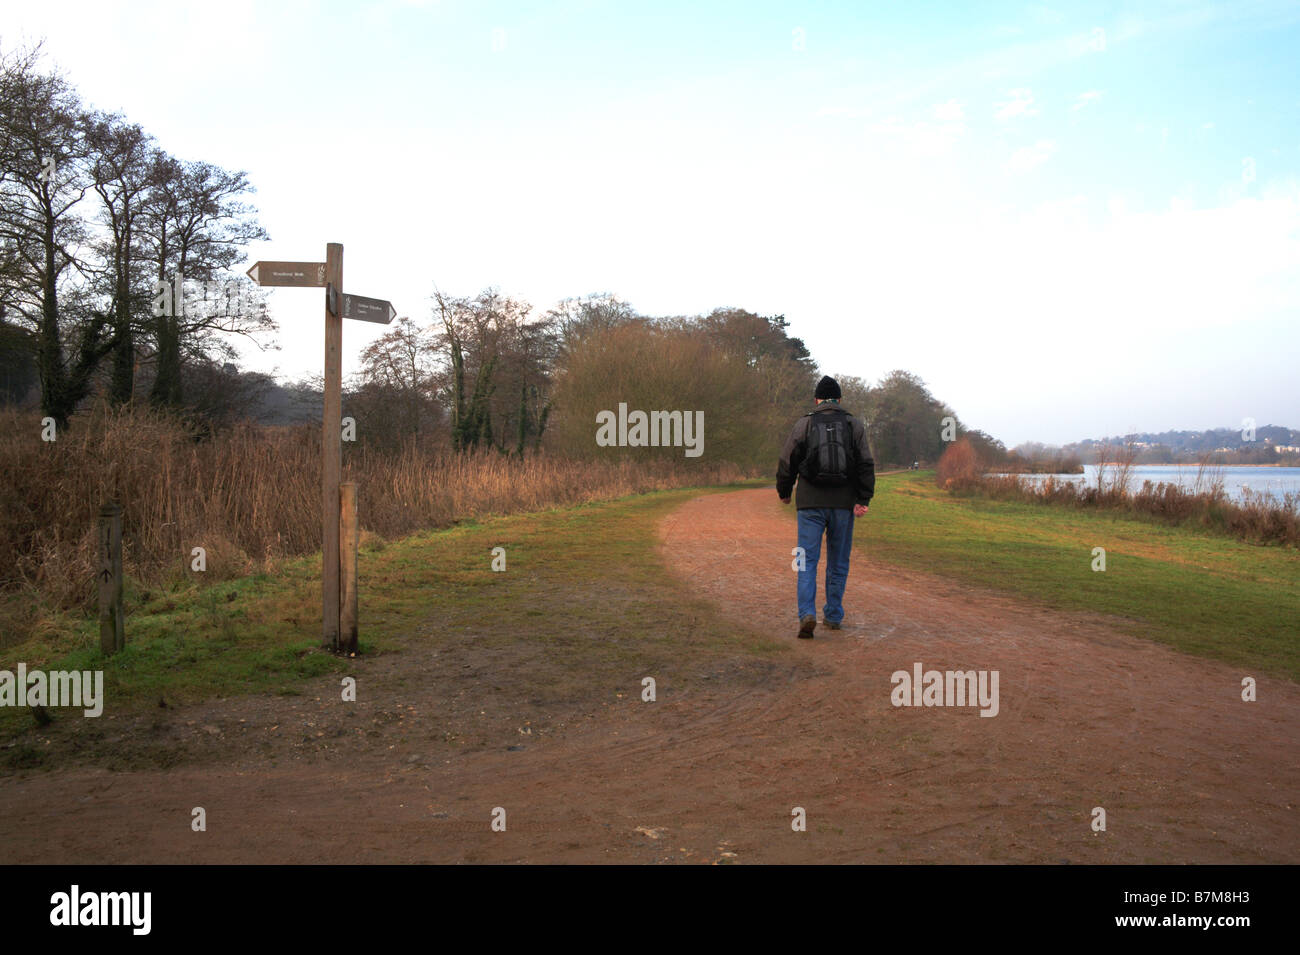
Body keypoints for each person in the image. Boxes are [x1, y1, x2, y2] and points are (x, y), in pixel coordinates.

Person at [776, 376, 875, 638]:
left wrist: (784, 492)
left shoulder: (805, 423)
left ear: (817, 399)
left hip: (810, 504)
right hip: (843, 504)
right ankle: (832, 616)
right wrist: (863, 499)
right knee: (838, 561)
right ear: (839, 400)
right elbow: (865, 463)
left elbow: (787, 461)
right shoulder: (854, 425)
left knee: (805, 561)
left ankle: (806, 614)